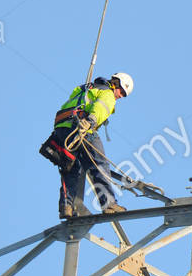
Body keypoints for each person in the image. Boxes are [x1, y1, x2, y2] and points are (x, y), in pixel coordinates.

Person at [49, 71, 134, 219]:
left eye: (124, 95)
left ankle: (66, 206)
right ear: (116, 83)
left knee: (71, 168)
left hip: (62, 128)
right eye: (121, 91)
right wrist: (90, 122)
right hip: (82, 128)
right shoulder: (107, 93)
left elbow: (72, 102)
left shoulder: (86, 88)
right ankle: (109, 204)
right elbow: (101, 109)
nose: (120, 96)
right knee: (99, 163)